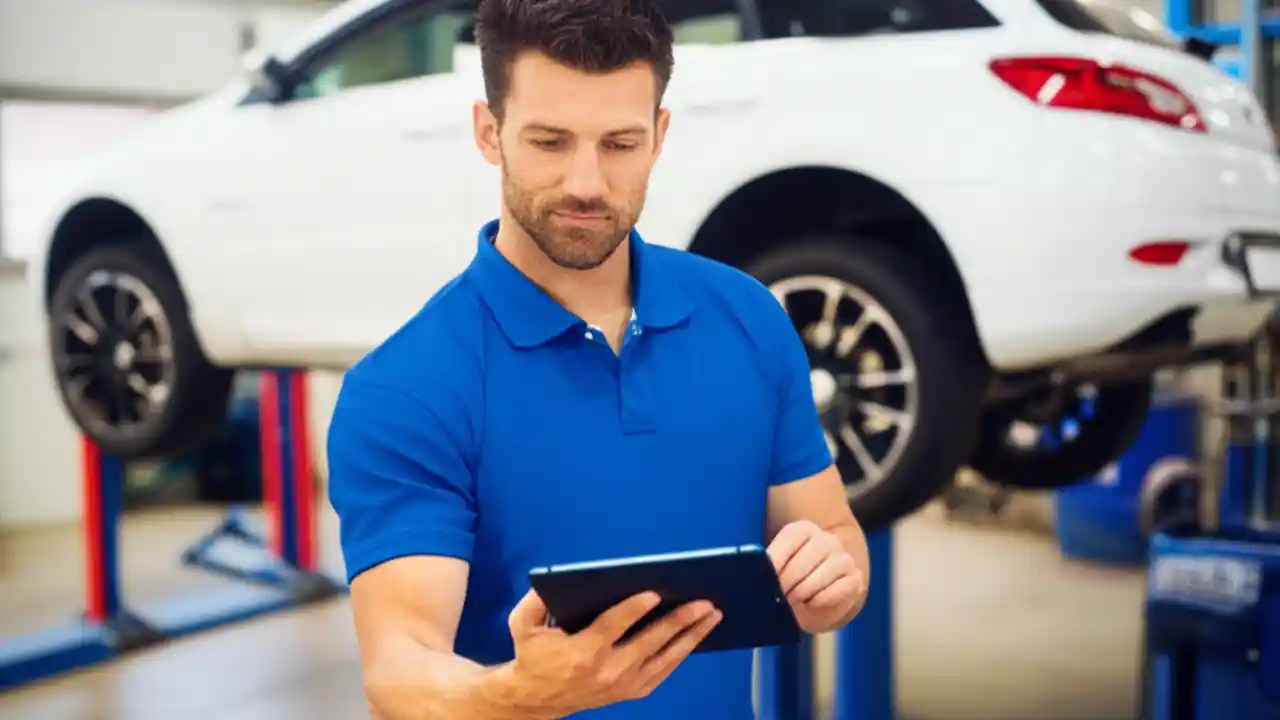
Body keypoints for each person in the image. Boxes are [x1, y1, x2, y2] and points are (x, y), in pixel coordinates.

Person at [326, 1, 871, 717]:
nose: (586, 183)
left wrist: (836, 583)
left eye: (618, 144)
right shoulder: (406, 389)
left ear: (659, 136)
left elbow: (835, 540)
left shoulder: (748, 321)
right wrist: (519, 695)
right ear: (489, 133)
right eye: (551, 142)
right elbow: (400, 672)